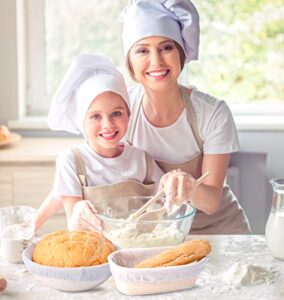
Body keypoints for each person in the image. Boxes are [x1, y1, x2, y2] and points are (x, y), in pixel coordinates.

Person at [119, 0, 251, 234]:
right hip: (155, 233)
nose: (156, 61)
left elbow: (211, 202)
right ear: (129, 61)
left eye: (166, 47)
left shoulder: (212, 113)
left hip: (219, 232)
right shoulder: (121, 110)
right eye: (142, 50)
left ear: (182, 53)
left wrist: (188, 185)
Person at [35, 53, 197, 232]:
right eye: (96, 116)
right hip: (92, 254)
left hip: (136, 250)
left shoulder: (141, 160)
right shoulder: (72, 161)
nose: (108, 125)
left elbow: (169, 201)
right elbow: (73, 220)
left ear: (128, 114)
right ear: (82, 122)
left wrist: (175, 180)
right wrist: (74, 212)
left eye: (117, 113)